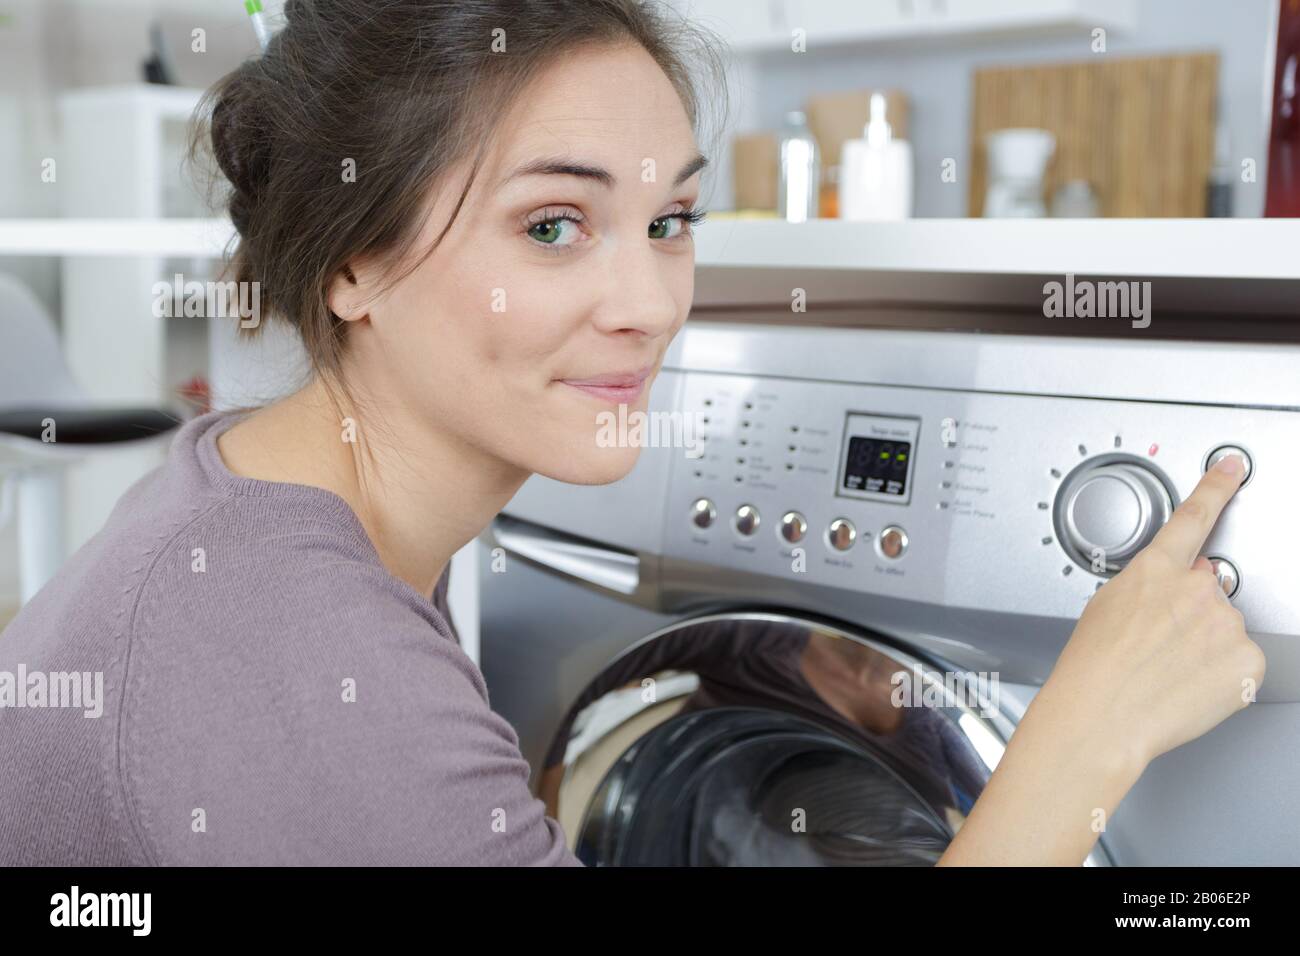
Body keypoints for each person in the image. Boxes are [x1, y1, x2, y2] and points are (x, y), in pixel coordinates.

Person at [0, 0, 1263, 866]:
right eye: (553, 226)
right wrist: (1084, 739)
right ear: (352, 264)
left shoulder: (257, 500)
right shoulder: (301, 644)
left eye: (669, 222)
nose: (651, 303)